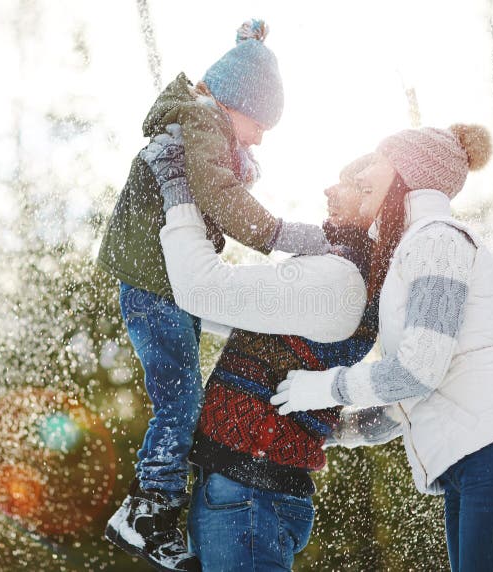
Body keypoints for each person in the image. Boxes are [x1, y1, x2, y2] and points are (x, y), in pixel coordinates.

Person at [271, 124, 493, 571]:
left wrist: (324, 388)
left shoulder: (438, 240)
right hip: (483, 456)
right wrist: (333, 429)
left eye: (374, 161)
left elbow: (417, 370)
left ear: (407, 170)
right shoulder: (416, 244)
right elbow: (409, 396)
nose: (362, 172)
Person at [98, 19, 331, 572]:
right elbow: (221, 199)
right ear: (233, 104)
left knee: (184, 400)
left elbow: (218, 195)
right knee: (179, 401)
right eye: (259, 123)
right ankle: (146, 512)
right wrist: (289, 236)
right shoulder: (200, 123)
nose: (260, 135)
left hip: (167, 288)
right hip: (155, 286)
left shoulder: (205, 127)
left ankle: (152, 508)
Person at [150, 143, 381, 570]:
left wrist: (176, 187)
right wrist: (329, 425)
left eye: (352, 184)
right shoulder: (348, 274)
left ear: (375, 202)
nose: (330, 189)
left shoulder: (338, 278)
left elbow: (205, 290)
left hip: (248, 496)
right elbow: (230, 312)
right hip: (250, 492)